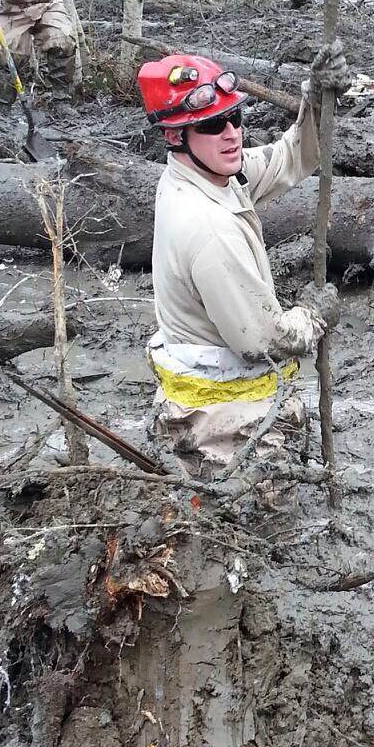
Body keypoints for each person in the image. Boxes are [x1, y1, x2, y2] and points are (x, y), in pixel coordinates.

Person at [137, 45, 349, 465]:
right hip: (226, 425)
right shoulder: (209, 228)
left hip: (205, 399)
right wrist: (314, 316)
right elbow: (262, 341)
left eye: (234, 118)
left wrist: (319, 103)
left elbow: (289, 157)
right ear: (176, 136)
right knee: (259, 521)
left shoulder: (207, 175)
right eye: (213, 125)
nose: (231, 133)